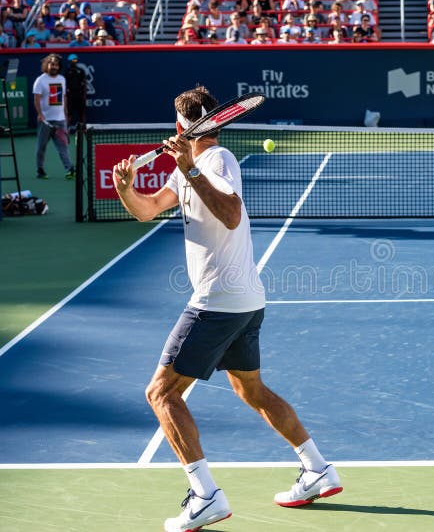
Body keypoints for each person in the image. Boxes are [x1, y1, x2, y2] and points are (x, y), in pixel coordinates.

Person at [110, 85, 343, 532]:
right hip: (243, 301)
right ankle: (317, 470)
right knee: (251, 391)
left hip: (218, 300)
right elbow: (146, 211)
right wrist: (126, 188)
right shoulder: (188, 169)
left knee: (161, 393)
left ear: (182, 126)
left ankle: (205, 496)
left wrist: (188, 167)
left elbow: (231, 214)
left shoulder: (217, 161)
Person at [32, 54, 75, 179]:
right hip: (45, 121)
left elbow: (64, 98)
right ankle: (40, 170)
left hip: (60, 120)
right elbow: (36, 99)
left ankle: (69, 169)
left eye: (56, 65)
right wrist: (40, 115)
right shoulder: (40, 80)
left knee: (63, 147)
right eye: (52, 64)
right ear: (47, 65)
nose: (54, 67)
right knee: (41, 147)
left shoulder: (62, 79)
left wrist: (66, 114)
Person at [64, 53, 86, 131]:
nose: (74, 61)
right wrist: (66, 95)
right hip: (70, 96)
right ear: (69, 61)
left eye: (75, 60)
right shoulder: (66, 72)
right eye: (73, 60)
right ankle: (66, 129)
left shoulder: (81, 71)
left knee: (81, 114)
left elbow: (84, 84)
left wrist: (84, 95)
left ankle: (83, 129)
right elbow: (64, 84)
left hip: (79, 95)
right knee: (68, 113)